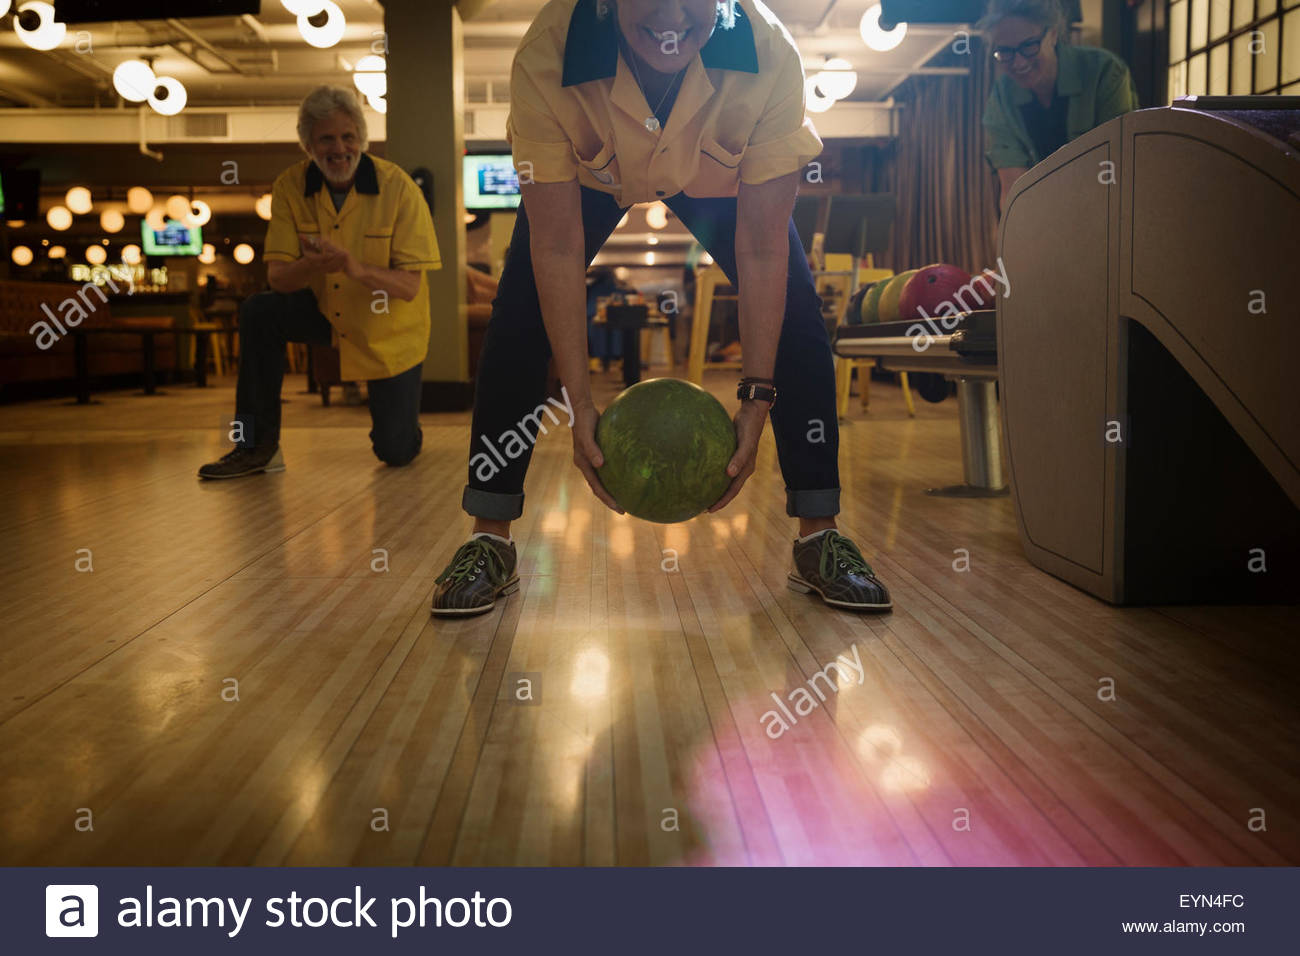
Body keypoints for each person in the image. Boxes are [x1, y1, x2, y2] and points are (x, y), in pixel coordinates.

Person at [431, 0, 893, 616]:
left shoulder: (770, 54)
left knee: (800, 319)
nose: (671, 16)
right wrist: (580, 402)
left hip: (719, 185)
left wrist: (757, 400)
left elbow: (760, 251)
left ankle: (821, 534)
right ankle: (489, 537)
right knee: (518, 318)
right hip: (591, 182)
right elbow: (559, 246)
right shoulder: (547, 53)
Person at [198, 85, 440, 479]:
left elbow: (409, 287)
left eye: (347, 137)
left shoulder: (399, 188)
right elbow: (277, 278)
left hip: (388, 325)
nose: (339, 148)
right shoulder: (290, 187)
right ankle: (255, 447)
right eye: (326, 138)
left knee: (394, 450)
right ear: (308, 145)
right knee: (260, 311)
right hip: (325, 308)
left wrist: (354, 268)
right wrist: (311, 266)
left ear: (361, 139)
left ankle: (406, 427)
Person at [981, 0, 1138, 215]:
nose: (1017, 62)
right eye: (1005, 52)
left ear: (1053, 35)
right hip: (1046, 219)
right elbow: (1013, 190)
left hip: (1108, 211)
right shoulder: (1002, 96)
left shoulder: (1104, 72)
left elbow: (1115, 170)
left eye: (1029, 46)